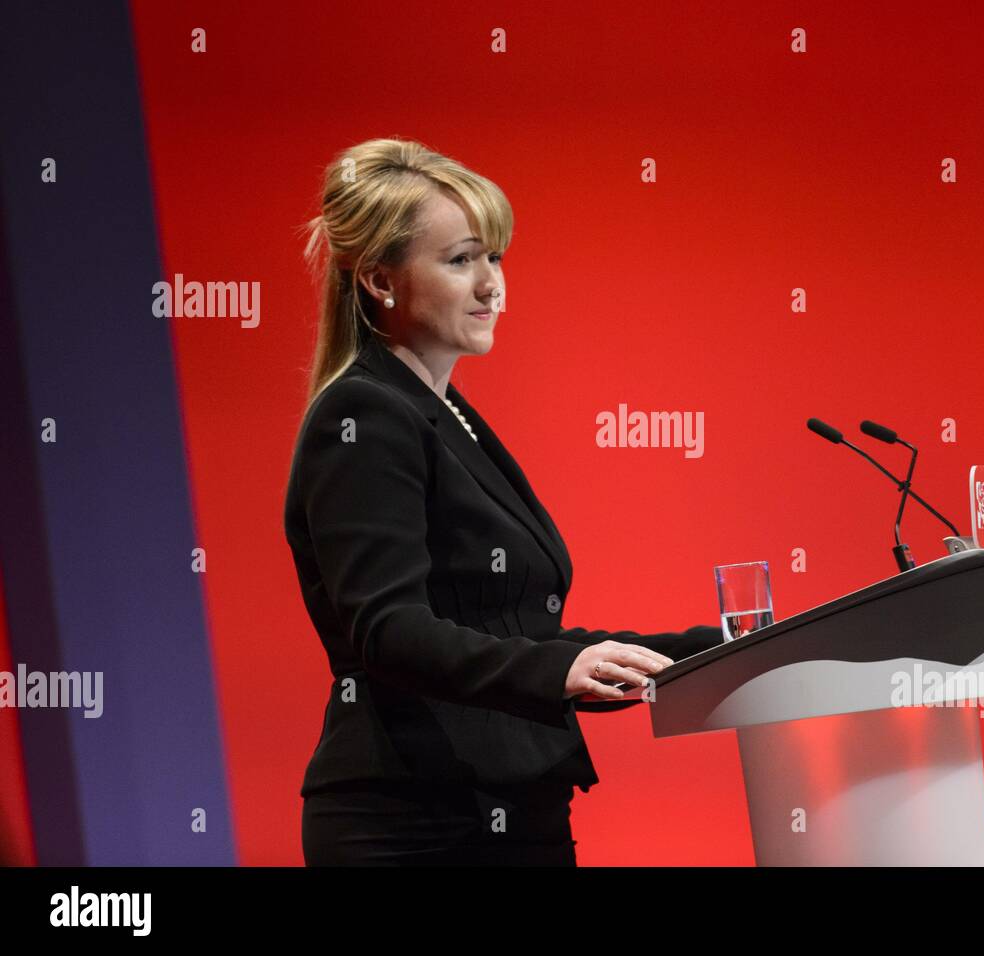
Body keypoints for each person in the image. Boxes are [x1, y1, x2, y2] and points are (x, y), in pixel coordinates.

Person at [284, 137, 724, 866]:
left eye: (495, 258)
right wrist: (555, 672)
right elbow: (388, 629)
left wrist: (716, 652)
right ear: (379, 282)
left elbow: (503, 628)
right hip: (417, 821)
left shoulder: (443, 411)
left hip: (511, 807)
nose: (492, 285)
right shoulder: (361, 418)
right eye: (461, 261)